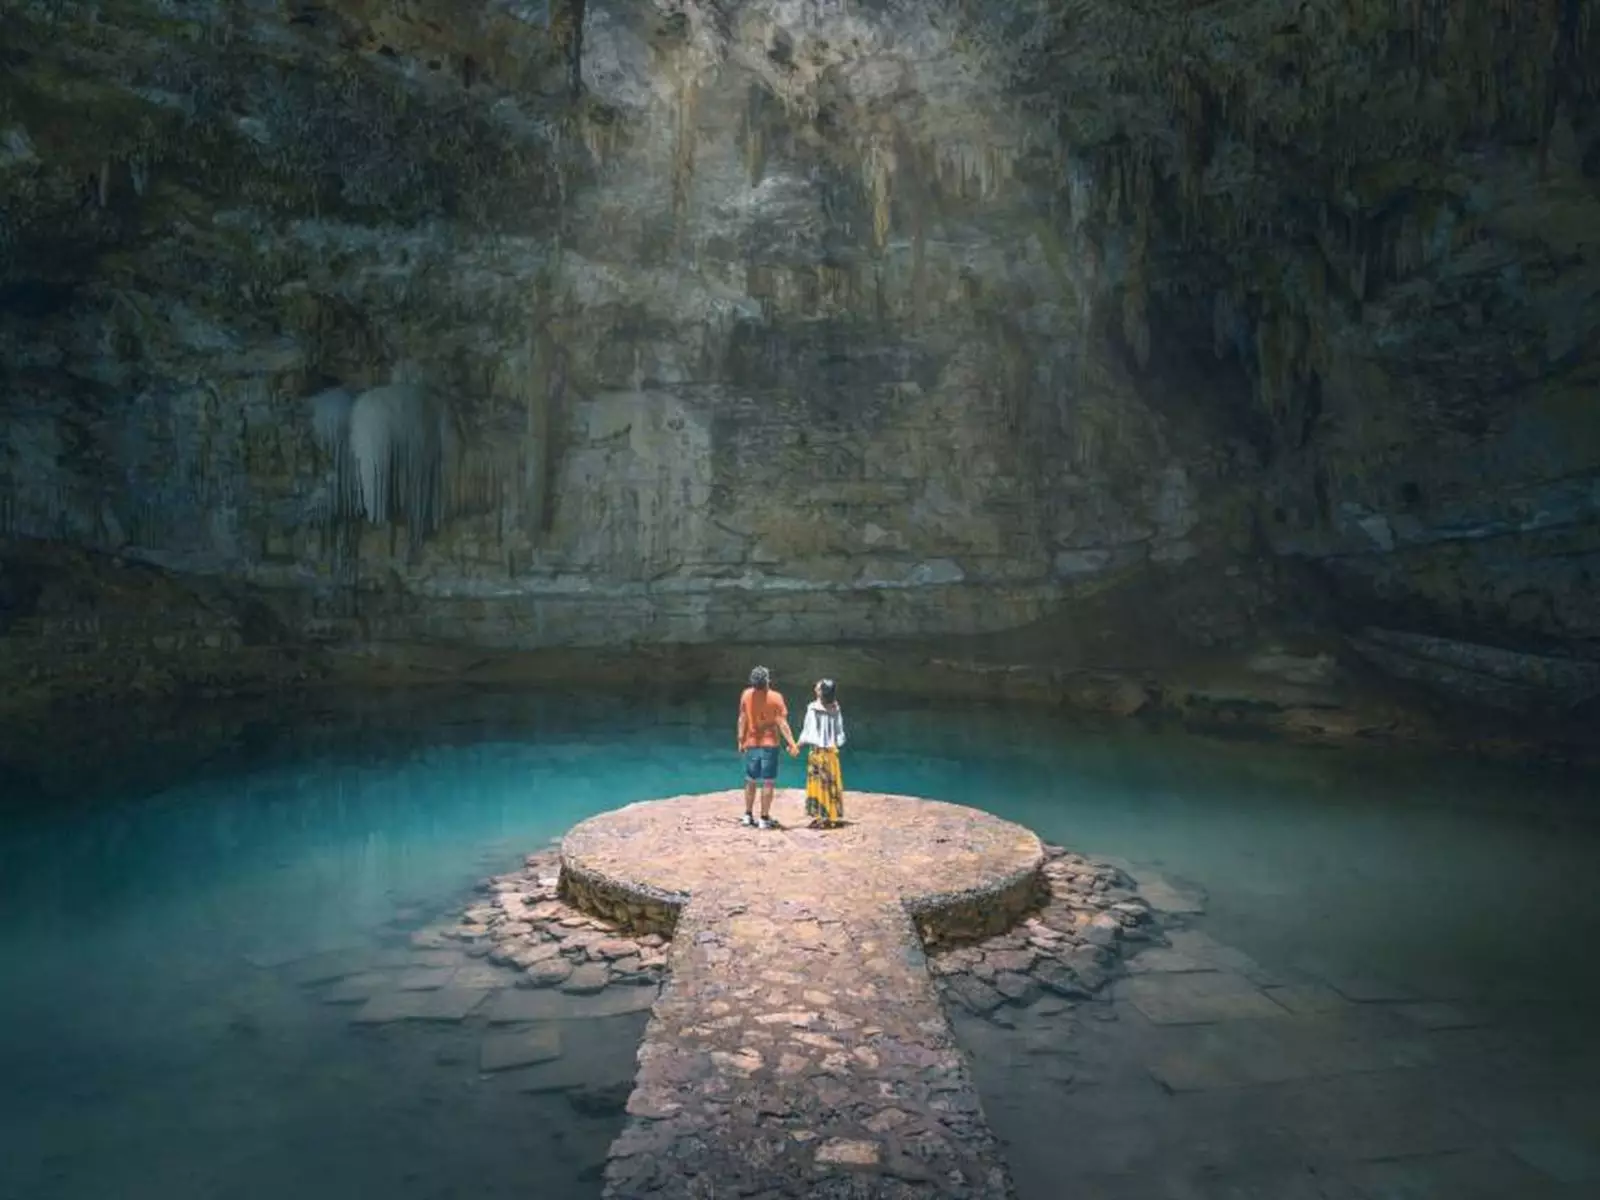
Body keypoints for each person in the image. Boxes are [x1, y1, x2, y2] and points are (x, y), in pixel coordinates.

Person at [737, 665, 798, 829]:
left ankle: (748, 815)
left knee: (750, 780)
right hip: (770, 745)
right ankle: (764, 818)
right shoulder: (776, 697)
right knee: (768, 782)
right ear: (767, 681)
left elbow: (742, 719)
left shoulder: (746, 695)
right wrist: (792, 744)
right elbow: (782, 723)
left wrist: (740, 740)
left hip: (751, 743)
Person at [798, 678, 846, 828]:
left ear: (821, 692)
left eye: (818, 687)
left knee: (819, 784)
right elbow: (839, 732)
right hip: (832, 753)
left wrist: (797, 746)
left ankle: (820, 816)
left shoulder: (813, 708)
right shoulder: (836, 708)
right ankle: (831, 816)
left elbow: (808, 731)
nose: (815, 688)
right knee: (831, 784)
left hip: (818, 753)